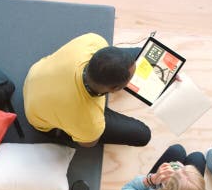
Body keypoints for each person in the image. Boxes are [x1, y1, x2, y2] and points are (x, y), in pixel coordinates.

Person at [23, 33, 151, 148]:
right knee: (142, 135)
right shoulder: (90, 122)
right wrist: (94, 123)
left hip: (35, 77)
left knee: (142, 56)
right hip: (41, 121)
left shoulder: (92, 41)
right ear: (115, 89)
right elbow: (88, 143)